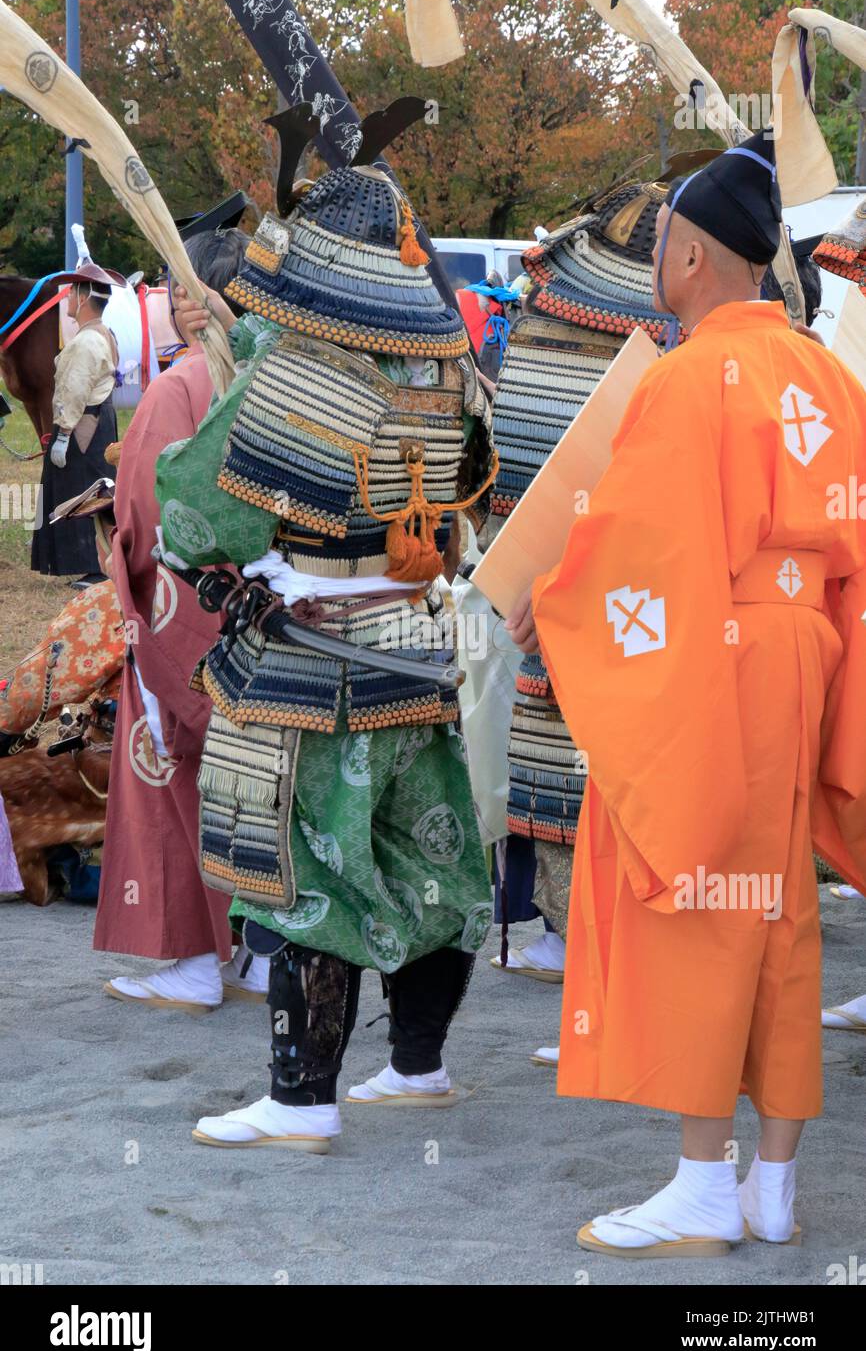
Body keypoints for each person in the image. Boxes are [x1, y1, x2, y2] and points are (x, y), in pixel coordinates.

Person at [507, 133, 866, 1256]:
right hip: (808, 642)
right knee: (780, 908)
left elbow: (639, 547)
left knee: (710, 892)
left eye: (663, 241)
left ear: (691, 260)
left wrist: (549, 598)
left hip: (727, 646)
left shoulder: (682, 374)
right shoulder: (821, 369)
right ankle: (770, 1183)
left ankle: (702, 1179)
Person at [160, 135, 497, 1151]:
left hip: (316, 654)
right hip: (419, 639)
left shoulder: (296, 373)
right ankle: (418, 1064)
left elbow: (202, 517)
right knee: (428, 855)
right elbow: (477, 485)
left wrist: (197, 465)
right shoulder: (448, 370)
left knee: (306, 873)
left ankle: (301, 1100)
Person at [486, 178, 678, 1004]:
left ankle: (598, 945)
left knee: (594, 755)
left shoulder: (652, 363)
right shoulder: (670, 356)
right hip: (590, 589)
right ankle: (578, 935)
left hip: (597, 587)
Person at [93, 228, 271, 1011]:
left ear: (192, 301)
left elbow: (147, 518)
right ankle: (264, 957)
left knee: (169, 776)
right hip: (278, 620)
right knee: (270, 793)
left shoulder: (177, 390)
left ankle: (192, 961)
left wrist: (120, 554)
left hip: (189, 620)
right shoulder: (283, 381)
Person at [31, 264, 123, 585]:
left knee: (84, 491)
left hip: (81, 427)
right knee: (96, 487)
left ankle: (95, 567)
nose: (67, 297)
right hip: (99, 422)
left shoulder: (86, 342)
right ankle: (99, 562)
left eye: (71, 292)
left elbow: (74, 390)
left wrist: (63, 434)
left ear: (83, 298)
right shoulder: (103, 334)